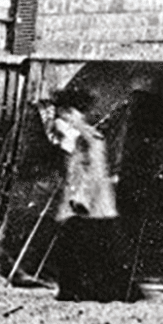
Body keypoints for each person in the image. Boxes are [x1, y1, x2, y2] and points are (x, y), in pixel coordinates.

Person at [42, 86, 138, 303]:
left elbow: (91, 172)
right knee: (94, 252)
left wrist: (81, 199)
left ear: (76, 113)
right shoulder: (86, 136)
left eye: (67, 113)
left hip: (88, 205)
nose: (64, 118)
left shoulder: (86, 138)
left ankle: (78, 292)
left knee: (80, 250)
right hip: (93, 205)